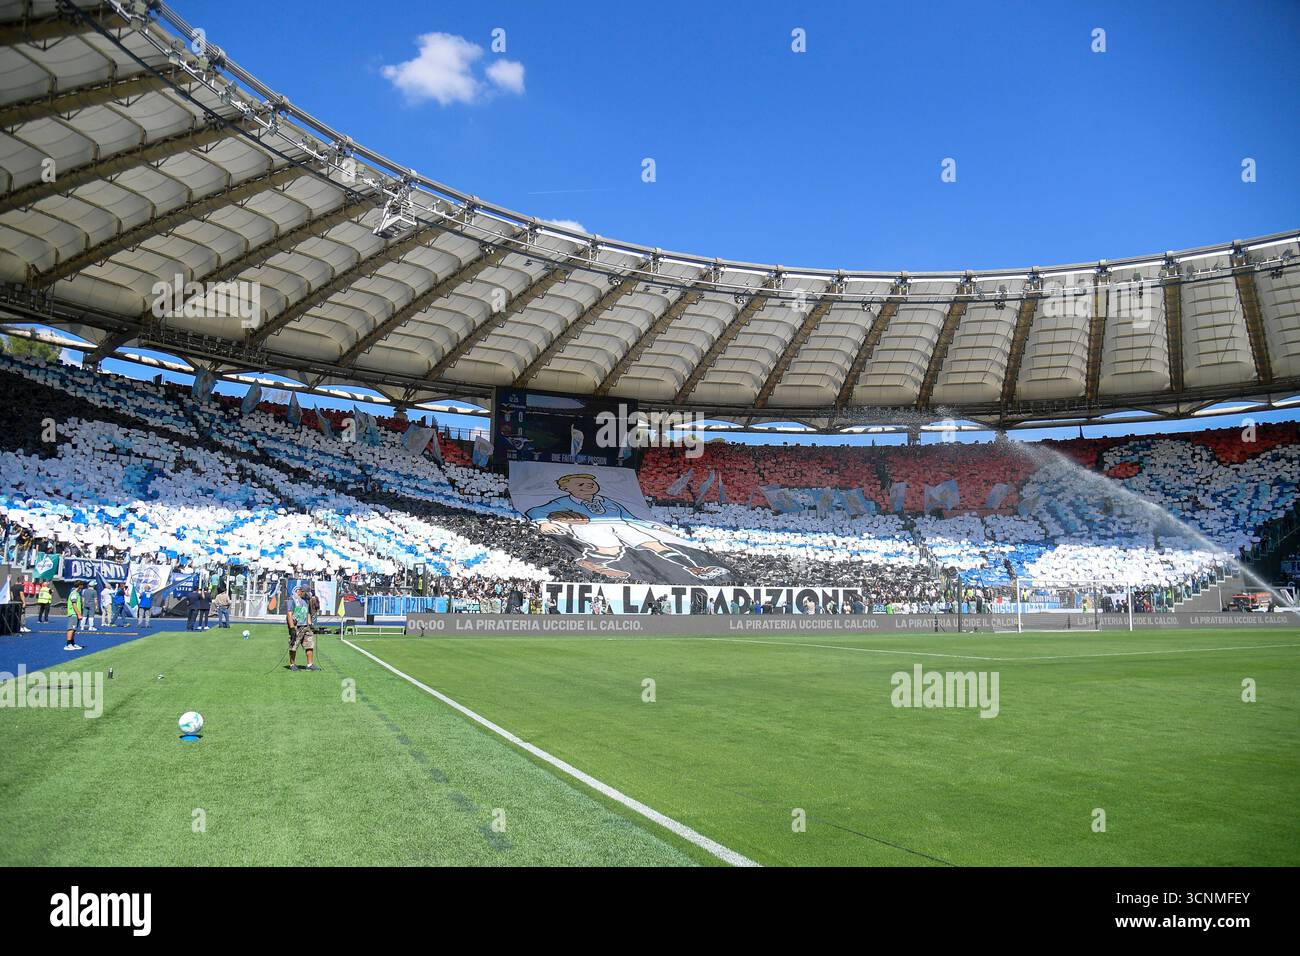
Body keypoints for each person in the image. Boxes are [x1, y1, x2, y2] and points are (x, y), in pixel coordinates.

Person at [286, 585, 317, 671]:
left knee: (310, 645)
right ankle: (292, 664)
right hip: (296, 627)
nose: (307, 595)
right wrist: (292, 628)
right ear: (301, 591)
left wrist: (310, 624)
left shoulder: (306, 601)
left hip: (306, 627)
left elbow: (307, 613)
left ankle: (309, 665)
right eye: (306, 593)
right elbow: (289, 614)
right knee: (293, 646)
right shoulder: (292, 599)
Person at [64, 582, 83, 651]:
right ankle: (68, 644)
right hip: (73, 614)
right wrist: (79, 614)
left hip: (75, 614)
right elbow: (74, 605)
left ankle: (72, 643)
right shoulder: (74, 593)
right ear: (79, 585)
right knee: (71, 629)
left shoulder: (77, 593)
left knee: (74, 629)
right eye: (82, 585)